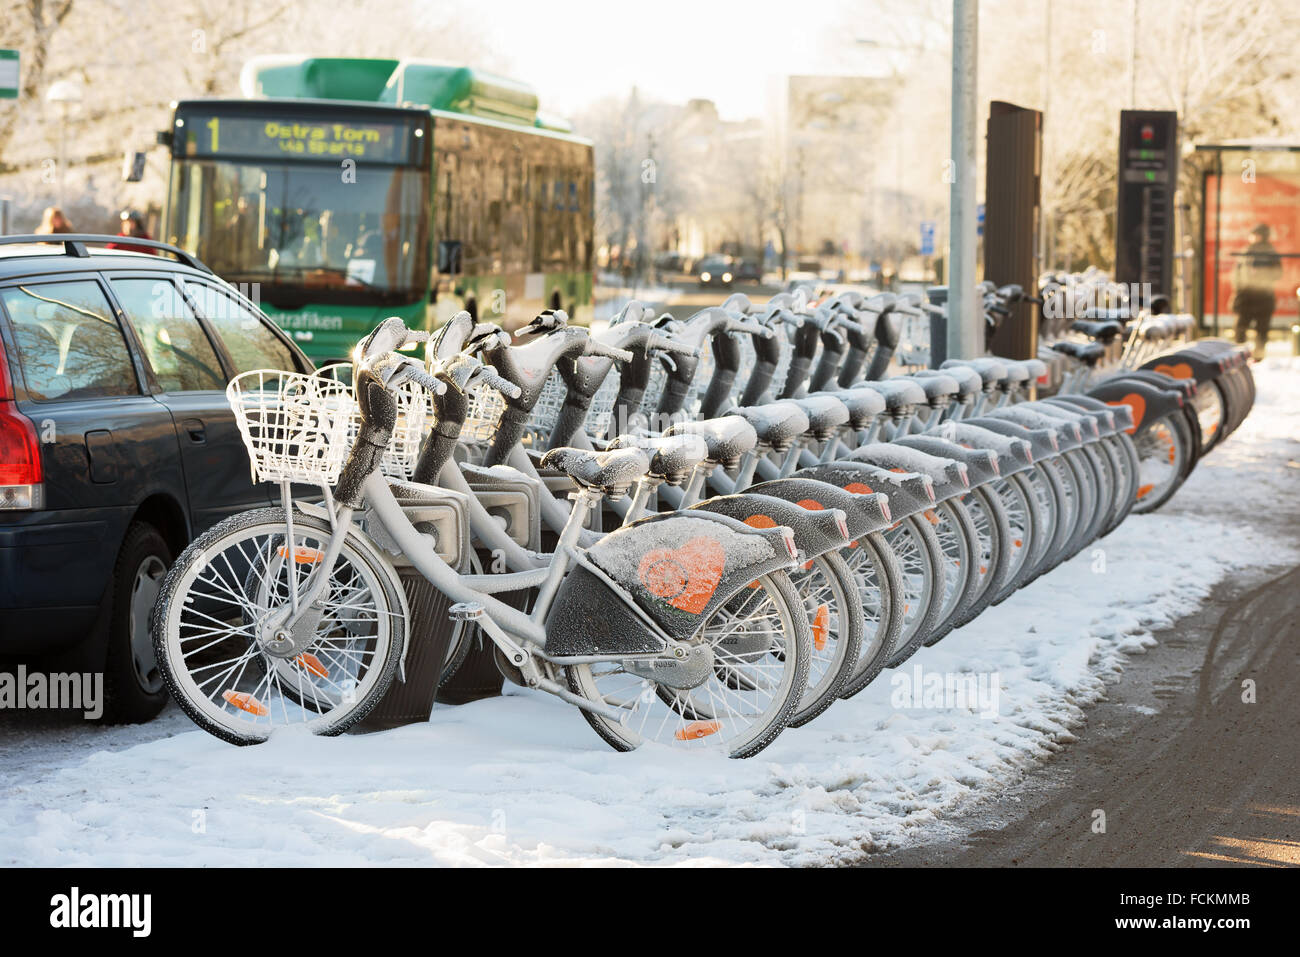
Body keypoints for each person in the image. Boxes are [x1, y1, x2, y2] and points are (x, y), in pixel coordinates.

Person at [1232, 223, 1283, 358]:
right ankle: (1238, 354)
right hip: (1246, 294)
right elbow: (1238, 272)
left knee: (1262, 328)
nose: (1254, 238)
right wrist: (1238, 287)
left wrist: (1260, 275)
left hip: (1263, 294)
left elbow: (1277, 273)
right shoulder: (1247, 251)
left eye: (1257, 235)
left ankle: (1258, 355)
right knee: (1241, 327)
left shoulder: (1270, 252)